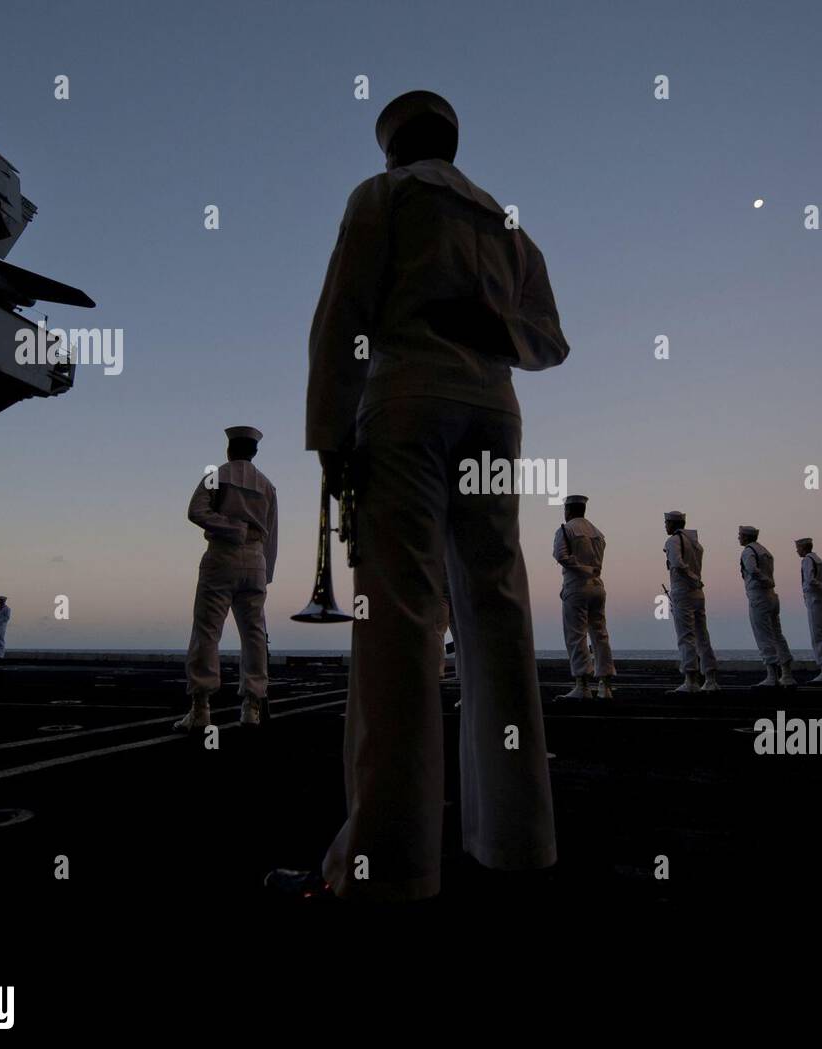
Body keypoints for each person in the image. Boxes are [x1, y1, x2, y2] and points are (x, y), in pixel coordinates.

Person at [271, 90, 567, 902]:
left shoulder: (383, 195)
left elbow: (341, 315)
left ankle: (385, 866)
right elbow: (550, 340)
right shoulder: (507, 225)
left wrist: (329, 436)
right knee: (498, 607)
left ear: (392, 147)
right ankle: (516, 840)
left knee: (400, 620)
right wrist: (488, 329)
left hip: (404, 401)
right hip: (494, 413)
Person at [175, 426, 278, 731]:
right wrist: (266, 572)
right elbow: (272, 535)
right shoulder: (267, 485)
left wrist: (230, 527)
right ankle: (252, 706)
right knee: (255, 633)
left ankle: (201, 707)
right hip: (256, 560)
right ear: (254, 452)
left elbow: (196, 511)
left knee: (207, 631)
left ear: (229, 449)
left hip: (222, 557)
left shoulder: (216, 474)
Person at [554, 494, 615, 699]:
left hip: (576, 586)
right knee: (600, 634)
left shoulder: (565, 530)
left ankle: (582, 685)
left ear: (568, 510)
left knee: (576, 635)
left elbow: (561, 556)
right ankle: (605, 684)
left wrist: (582, 569)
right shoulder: (598, 533)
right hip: (597, 586)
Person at [663, 510, 718, 692]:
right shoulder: (695, 543)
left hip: (683, 591)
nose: (665, 526)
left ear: (673, 523)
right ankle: (710, 677)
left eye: (666, 522)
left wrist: (691, 577)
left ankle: (690, 679)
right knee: (703, 636)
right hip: (697, 593)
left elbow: (677, 563)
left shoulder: (672, 541)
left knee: (685, 636)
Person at [738, 526, 796, 687]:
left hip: (759, 596)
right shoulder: (765, 551)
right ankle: (786, 673)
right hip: (771, 596)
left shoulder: (748, 551)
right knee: (778, 635)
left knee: (764, 636)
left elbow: (752, 570)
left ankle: (772, 675)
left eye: (740, 535)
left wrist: (764, 580)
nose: (738, 538)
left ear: (746, 537)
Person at [794, 538, 822, 683]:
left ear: (803, 548)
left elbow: (810, 580)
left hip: (815, 599)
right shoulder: (819, 561)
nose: (797, 550)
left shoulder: (807, 560)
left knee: (817, 635)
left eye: (798, 547)